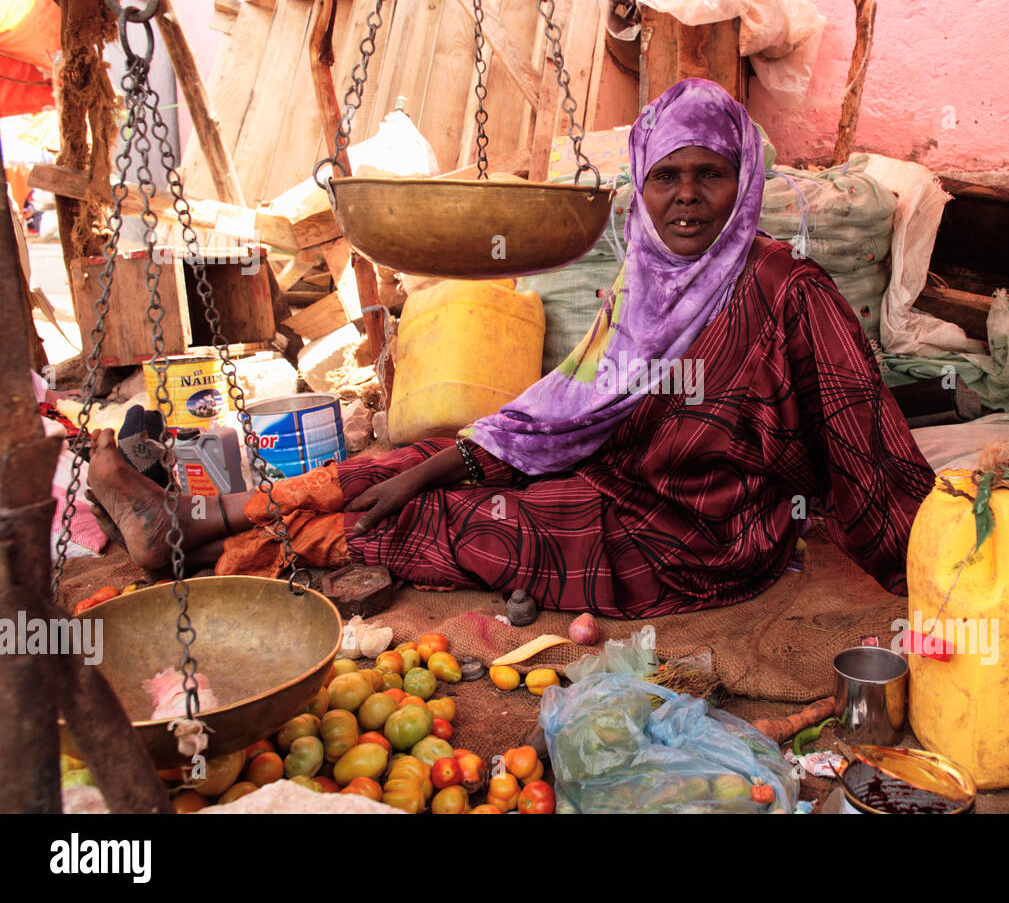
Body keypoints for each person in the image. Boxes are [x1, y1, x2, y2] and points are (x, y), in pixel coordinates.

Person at [87, 78, 936, 618]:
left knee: (464, 522)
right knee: (428, 459)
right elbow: (559, 411)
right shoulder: (641, 285)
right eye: (664, 178)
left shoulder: (791, 291)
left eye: (707, 175)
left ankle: (232, 549)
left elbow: (867, 445)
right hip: (611, 477)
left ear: (741, 179)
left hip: (702, 541)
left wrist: (943, 569)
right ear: (638, 187)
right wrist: (432, 463)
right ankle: (204, 519)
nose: (685, 199)